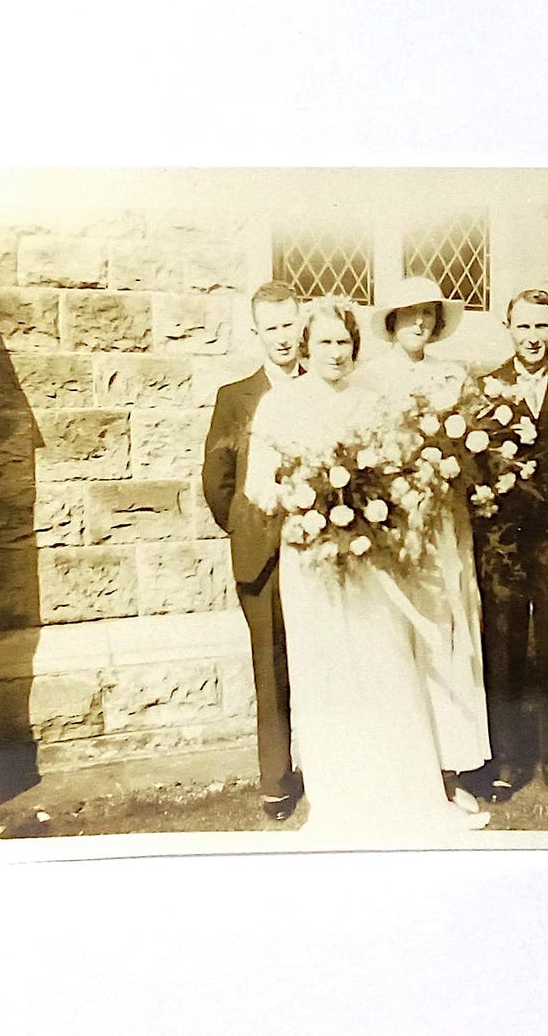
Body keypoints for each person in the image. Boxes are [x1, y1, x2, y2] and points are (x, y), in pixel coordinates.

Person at [243, 296, 489, 836]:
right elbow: (257, 487)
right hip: (312, 561)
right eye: (324, 342)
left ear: (356, 347)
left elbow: (398, 475)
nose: (335, 352)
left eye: (343, 342)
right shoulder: (279, 405)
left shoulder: (374, 399)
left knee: (386, 672)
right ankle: (342, 798)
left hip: (372, 564)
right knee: (328, 679)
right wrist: (301, 499)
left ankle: (404, 792)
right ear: (305, 348)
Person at [356, 277, 492, 810]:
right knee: (394, 634)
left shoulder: (452, 377)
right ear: (391, 321)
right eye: (408, 313)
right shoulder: (369, 379)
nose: (419, 322)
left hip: (441, 523)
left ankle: (452, 765)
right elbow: (360, 452)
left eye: (428, 314)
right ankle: (402, 764)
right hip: (390, 522)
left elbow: (471, 453)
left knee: (445, 630)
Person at [470, 289, 548, 799]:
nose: (532, 338)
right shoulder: (486, 389)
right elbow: (474, 465)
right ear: (509, 328)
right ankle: (508, 759)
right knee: (505, 647)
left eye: (541, 327)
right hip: (505, 542)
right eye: (523, 327)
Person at [202, 280, 304, 821]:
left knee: (324, 662)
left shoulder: (322, 386)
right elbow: (217, 482)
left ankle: (333, 768)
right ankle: (276, 779)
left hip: (321, 552)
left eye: (290, 325)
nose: (283, 338)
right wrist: (247, 528)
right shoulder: (235, 397)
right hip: (262, 556)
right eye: (272, 329)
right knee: (272, 664)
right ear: (257, 333)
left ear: (301, 323)